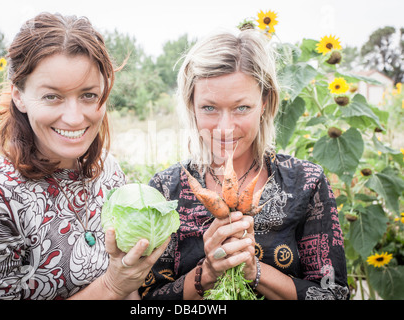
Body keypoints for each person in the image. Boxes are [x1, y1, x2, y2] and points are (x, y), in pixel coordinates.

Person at [0, 12, 168, 300]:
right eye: (52, 96)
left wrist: (125, 285)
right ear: (19, 95)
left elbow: (129, 288)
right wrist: (112, 287)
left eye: (88, 95)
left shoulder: (108, 171)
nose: (74, 117)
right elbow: (118, 284)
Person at [139, 29, 350, 300]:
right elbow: (146, 300)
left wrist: (254, 270)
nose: (225, 128)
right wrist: (208, 273)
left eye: (241, 108)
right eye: (209, 108)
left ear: (264, 102)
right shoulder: (165, 190)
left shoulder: (306, 182)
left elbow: (333, 294)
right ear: (191, 104)